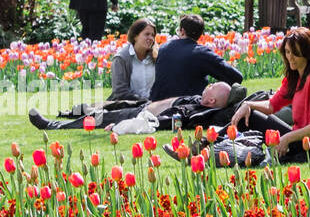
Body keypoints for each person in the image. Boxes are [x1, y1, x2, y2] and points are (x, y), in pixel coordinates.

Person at [233, 27, 310, 161]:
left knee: (250, 117)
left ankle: (211, 144)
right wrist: (248, 104)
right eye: (287, 52)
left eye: (295, 53)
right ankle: (217, 143)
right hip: (297, 138)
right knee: (245, 112)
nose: (290, 58)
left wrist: (287, 138)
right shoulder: (296, 76)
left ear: (307, 53)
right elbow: (272, 105)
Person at [30, 80, 251, 132]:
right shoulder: (199, 100)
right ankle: (69, 112)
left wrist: (127, 126)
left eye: (212, 86)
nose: (208, 85)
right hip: (145, 104)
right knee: (110, 104)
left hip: (141, 113)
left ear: (211, 101)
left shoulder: (198, 113)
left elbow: (170, 121)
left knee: (99, 118)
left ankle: (53, 126)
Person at [150, 13, 243, 101]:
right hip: (185, 108)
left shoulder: (164, 48)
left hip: (156, 105)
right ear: (200, 34)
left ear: (182, 31)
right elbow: (236, 77)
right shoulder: (201, 53)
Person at [109, 18, 158, 103]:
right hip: (127, 106)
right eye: (147, 34)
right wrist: (143, 101)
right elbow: (120, 92)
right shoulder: (121, 58)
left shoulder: (156, 57)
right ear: (135, 36)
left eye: (152, 35)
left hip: (152, 105)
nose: (151, 38)